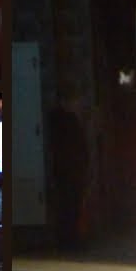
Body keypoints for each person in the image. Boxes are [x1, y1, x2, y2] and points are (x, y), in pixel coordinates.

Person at [47, 85, 90, 250]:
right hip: (71, 170)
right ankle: (70, 240)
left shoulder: (56, 120)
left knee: (66, 206)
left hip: (64, 170)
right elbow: (79, 146)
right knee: (71, 206)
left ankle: (66, 240)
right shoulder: (69, 120)